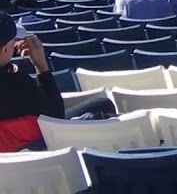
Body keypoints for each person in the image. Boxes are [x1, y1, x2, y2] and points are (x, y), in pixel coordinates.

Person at [0, 13, 117, 153]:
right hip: (31, 150)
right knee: (102, 104)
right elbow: (56, 118)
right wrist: (41, 65)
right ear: (5, 49)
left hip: (7, 159)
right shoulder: (16, 83)